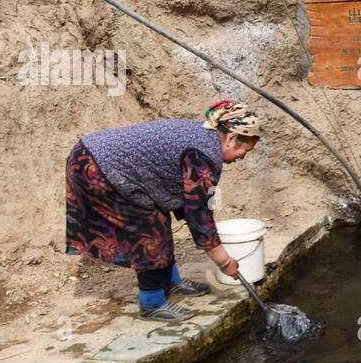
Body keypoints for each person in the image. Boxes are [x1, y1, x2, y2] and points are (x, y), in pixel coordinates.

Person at [64, 100, 261, 321]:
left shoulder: (206, 141)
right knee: (150, 232)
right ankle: (152, 303)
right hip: (95, 167)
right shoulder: (204, 154)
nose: (243, 156)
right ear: (232, 138)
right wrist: (224, 262)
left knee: (158, 219)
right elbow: (199, 215)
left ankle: (170, 282)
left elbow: (191, 205)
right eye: (245, 150)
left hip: (97, 159)